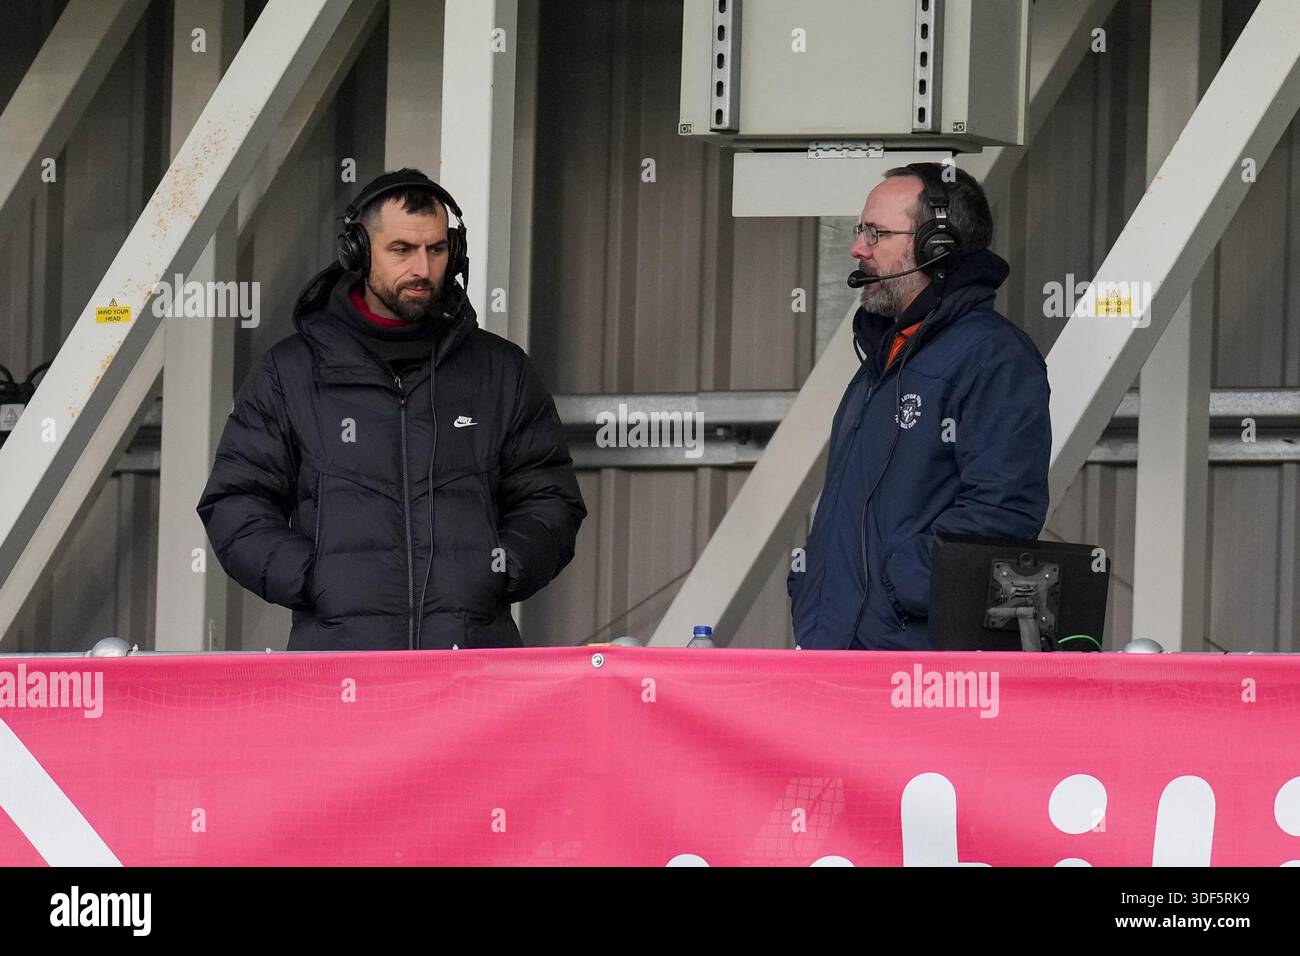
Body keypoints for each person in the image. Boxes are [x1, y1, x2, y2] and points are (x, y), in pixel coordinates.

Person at [197, 169, 586, 650]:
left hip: (472, 670)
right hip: (340, 672)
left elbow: (551, 498)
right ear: (358, 253)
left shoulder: (501, 372)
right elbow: (235, 503)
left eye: (437, 249)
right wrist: (313, 577)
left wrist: (499, 570)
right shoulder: (289, 374)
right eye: (402, 249)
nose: (423, 269)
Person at [788, 163, 1050, 650]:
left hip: (916, 664)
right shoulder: (881, 363)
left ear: (937, 248)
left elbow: (1001, 510)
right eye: (859, 231)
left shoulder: (994, 356)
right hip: (840, 653)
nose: (857, 248)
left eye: (876, 233)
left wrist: (897, 586)